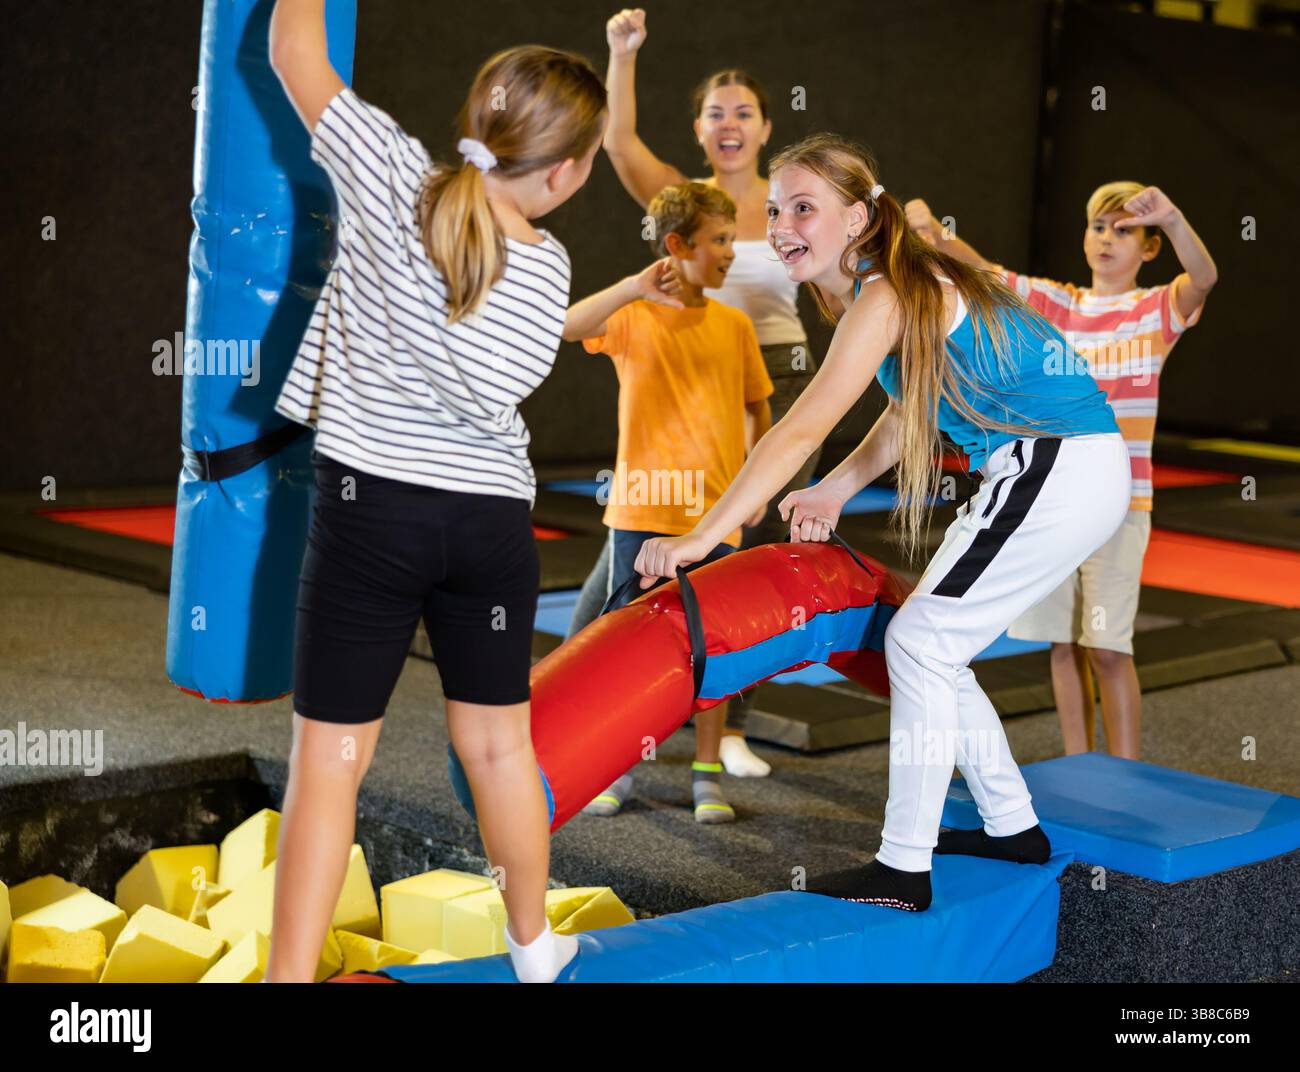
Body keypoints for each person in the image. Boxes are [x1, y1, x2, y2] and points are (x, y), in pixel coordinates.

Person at [631, 132, 1130, 911]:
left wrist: (702, 535)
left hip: (1055, 463)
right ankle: (1011, 826)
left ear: (859, 217)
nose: (783, 224)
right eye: (774, 210)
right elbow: (906, 414)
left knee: (921, 643)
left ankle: (903, 869)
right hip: (1053, 466)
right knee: (936, 647)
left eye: (805, 207)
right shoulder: (893, 287)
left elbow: (795, 428)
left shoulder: (891, 290)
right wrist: (831, 490)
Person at [265, 0, 607, 982]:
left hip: (374, 511)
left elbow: (295, 47)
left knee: (330, 763)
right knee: (499, 748)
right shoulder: (551, 270)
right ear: (567, 170)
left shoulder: (387, 167)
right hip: (492, 525)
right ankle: (535, 946)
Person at [564, 8, 819, 778]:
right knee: (633, 552)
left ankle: (727, 729)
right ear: (701, 131)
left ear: (768, 126)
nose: (730, 123)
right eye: (716, 114)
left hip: (777, 376)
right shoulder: (686, 197)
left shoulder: (792, 199)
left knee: (747, 556)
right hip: (684, 374)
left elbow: (834, 281)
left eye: (744, 111)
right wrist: (622, 52)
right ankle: (572, 688)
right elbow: (613, 141)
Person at [905, 184, 1216, 760]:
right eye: (1099, 226)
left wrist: (1172, 217)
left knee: (1107, 647)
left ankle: (1124, 769)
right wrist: (930, 233)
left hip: (1122, 501)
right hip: (1049, 495)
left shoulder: (1154, 309)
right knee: (1061, 642)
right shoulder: (1055, 304)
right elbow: (982, 271)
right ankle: (1080, 762)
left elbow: (1203, 277)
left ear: (1149, 248)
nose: (1107, 240)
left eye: (1123, 231)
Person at [563, 181, 774, 822]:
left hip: (713, 518)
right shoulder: (632, 318)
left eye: (732, 239)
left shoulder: (734, 325)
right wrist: (634, 286)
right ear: (676, 245)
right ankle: (623, 764)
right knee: (629, 646)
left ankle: (706, 772)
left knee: (714, 646)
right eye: (718, 240)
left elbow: (757, 406)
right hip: (641, 511)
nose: (731, 252)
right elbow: (567, 326)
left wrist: (753, 489)